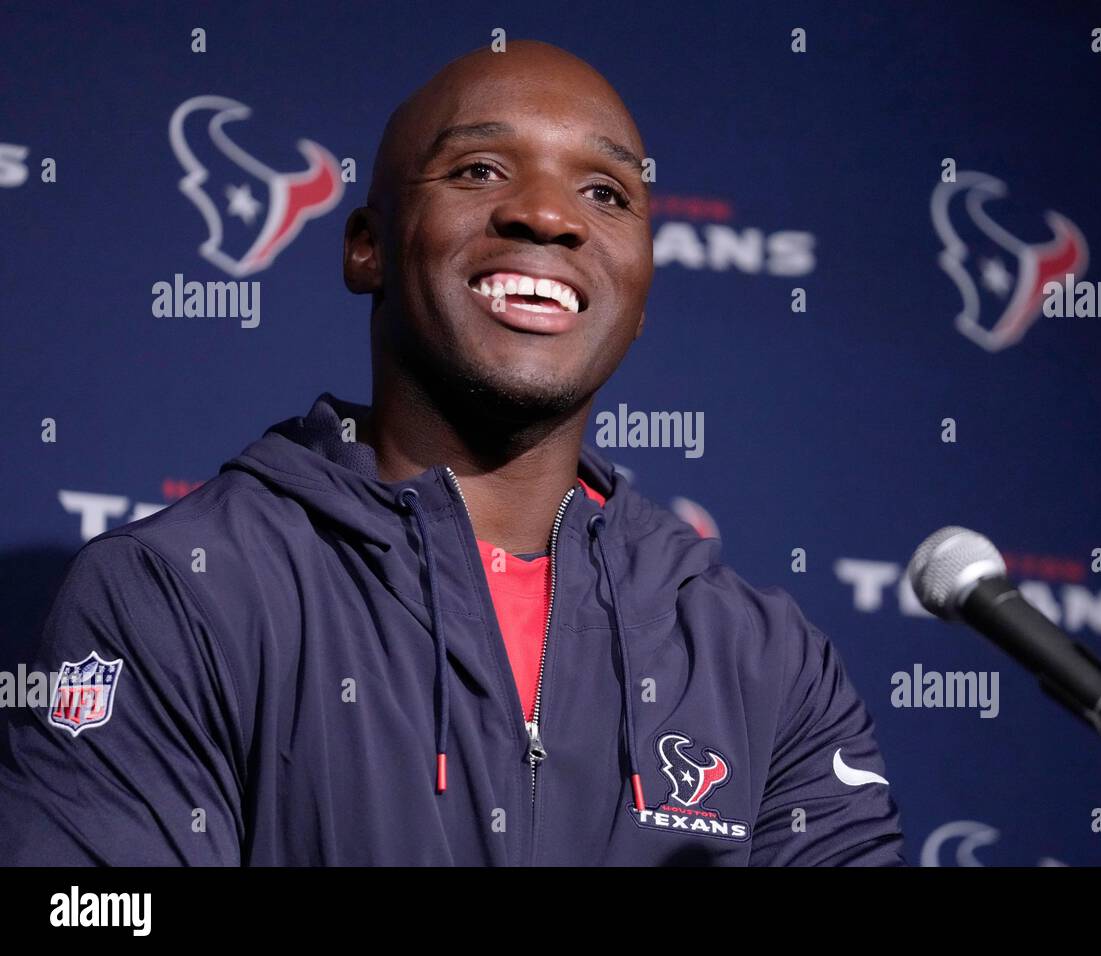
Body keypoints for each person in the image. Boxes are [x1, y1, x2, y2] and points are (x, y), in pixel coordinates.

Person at [0, 40, 904, 866]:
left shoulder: (764, 658)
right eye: (478, 169)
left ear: (642, 281)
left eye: (607, 193)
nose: (549, 215)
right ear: (366, 246)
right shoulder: (182, 592)